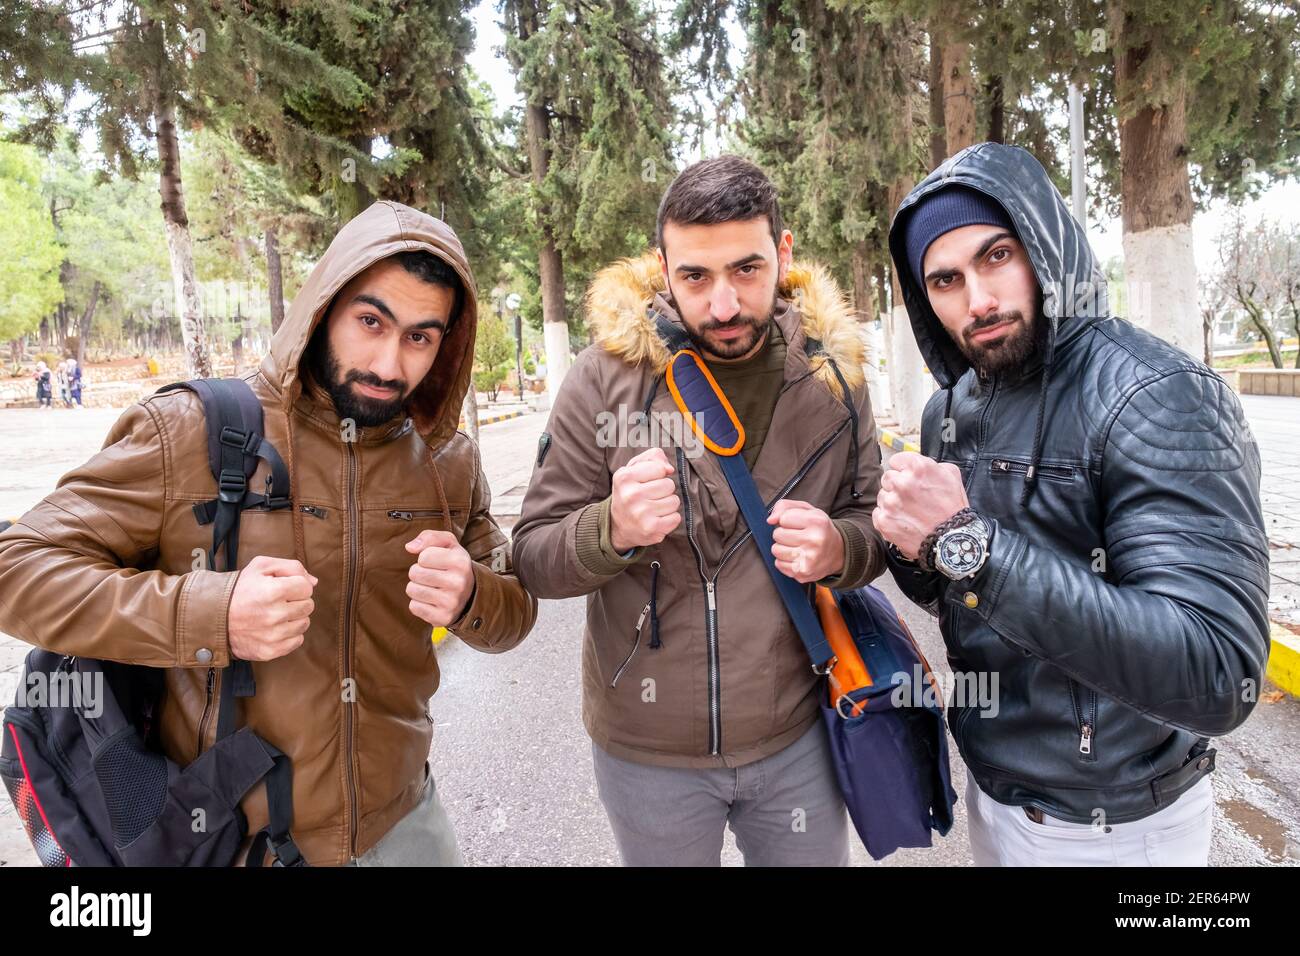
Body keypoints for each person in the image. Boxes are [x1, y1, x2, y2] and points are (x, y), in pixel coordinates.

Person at [0, 200, 538, 866]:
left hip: (406, 824)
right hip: (232, 839)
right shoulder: (191, 431)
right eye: (370, 322)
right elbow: (18, 569)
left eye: (420, 337)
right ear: (323, 308)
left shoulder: (447, 460)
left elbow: (513, 614)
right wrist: (209, 614)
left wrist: (470, 597)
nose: (389, 362)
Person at [874, 142, 1270, 866]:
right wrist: (912, 547)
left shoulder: (1156, 395)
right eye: (946, 279)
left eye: (998, 256)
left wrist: (965, 544)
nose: (980, 299)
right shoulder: (950, 409)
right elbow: (958, 598)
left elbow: (1217, 673)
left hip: (1117, 827)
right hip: (994, 792)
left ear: (1047, 244)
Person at [513, 156, 887, 866]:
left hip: (798, 735)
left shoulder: (835, 375)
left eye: (746, 270)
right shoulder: (603, 377)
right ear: (662, 267)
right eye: (695, 277)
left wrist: (841, 548)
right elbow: (532, 554)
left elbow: (876, 526)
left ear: (783, 253)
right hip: (646, 752)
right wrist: (611, 530)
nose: (723, 305)